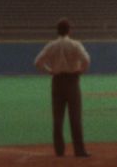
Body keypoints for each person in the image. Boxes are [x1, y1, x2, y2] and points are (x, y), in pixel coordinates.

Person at [34, 17, 90, 158]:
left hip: (57, 81)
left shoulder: (51, 45)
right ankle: (79, 150)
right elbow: (86, 60)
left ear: (57, 31)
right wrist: (80, 71)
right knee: (75, 117)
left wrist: (49, 71)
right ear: (69, 30)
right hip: (72, 81)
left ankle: (59, 151)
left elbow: (37, 62)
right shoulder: (75, 44)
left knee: (58, 118)